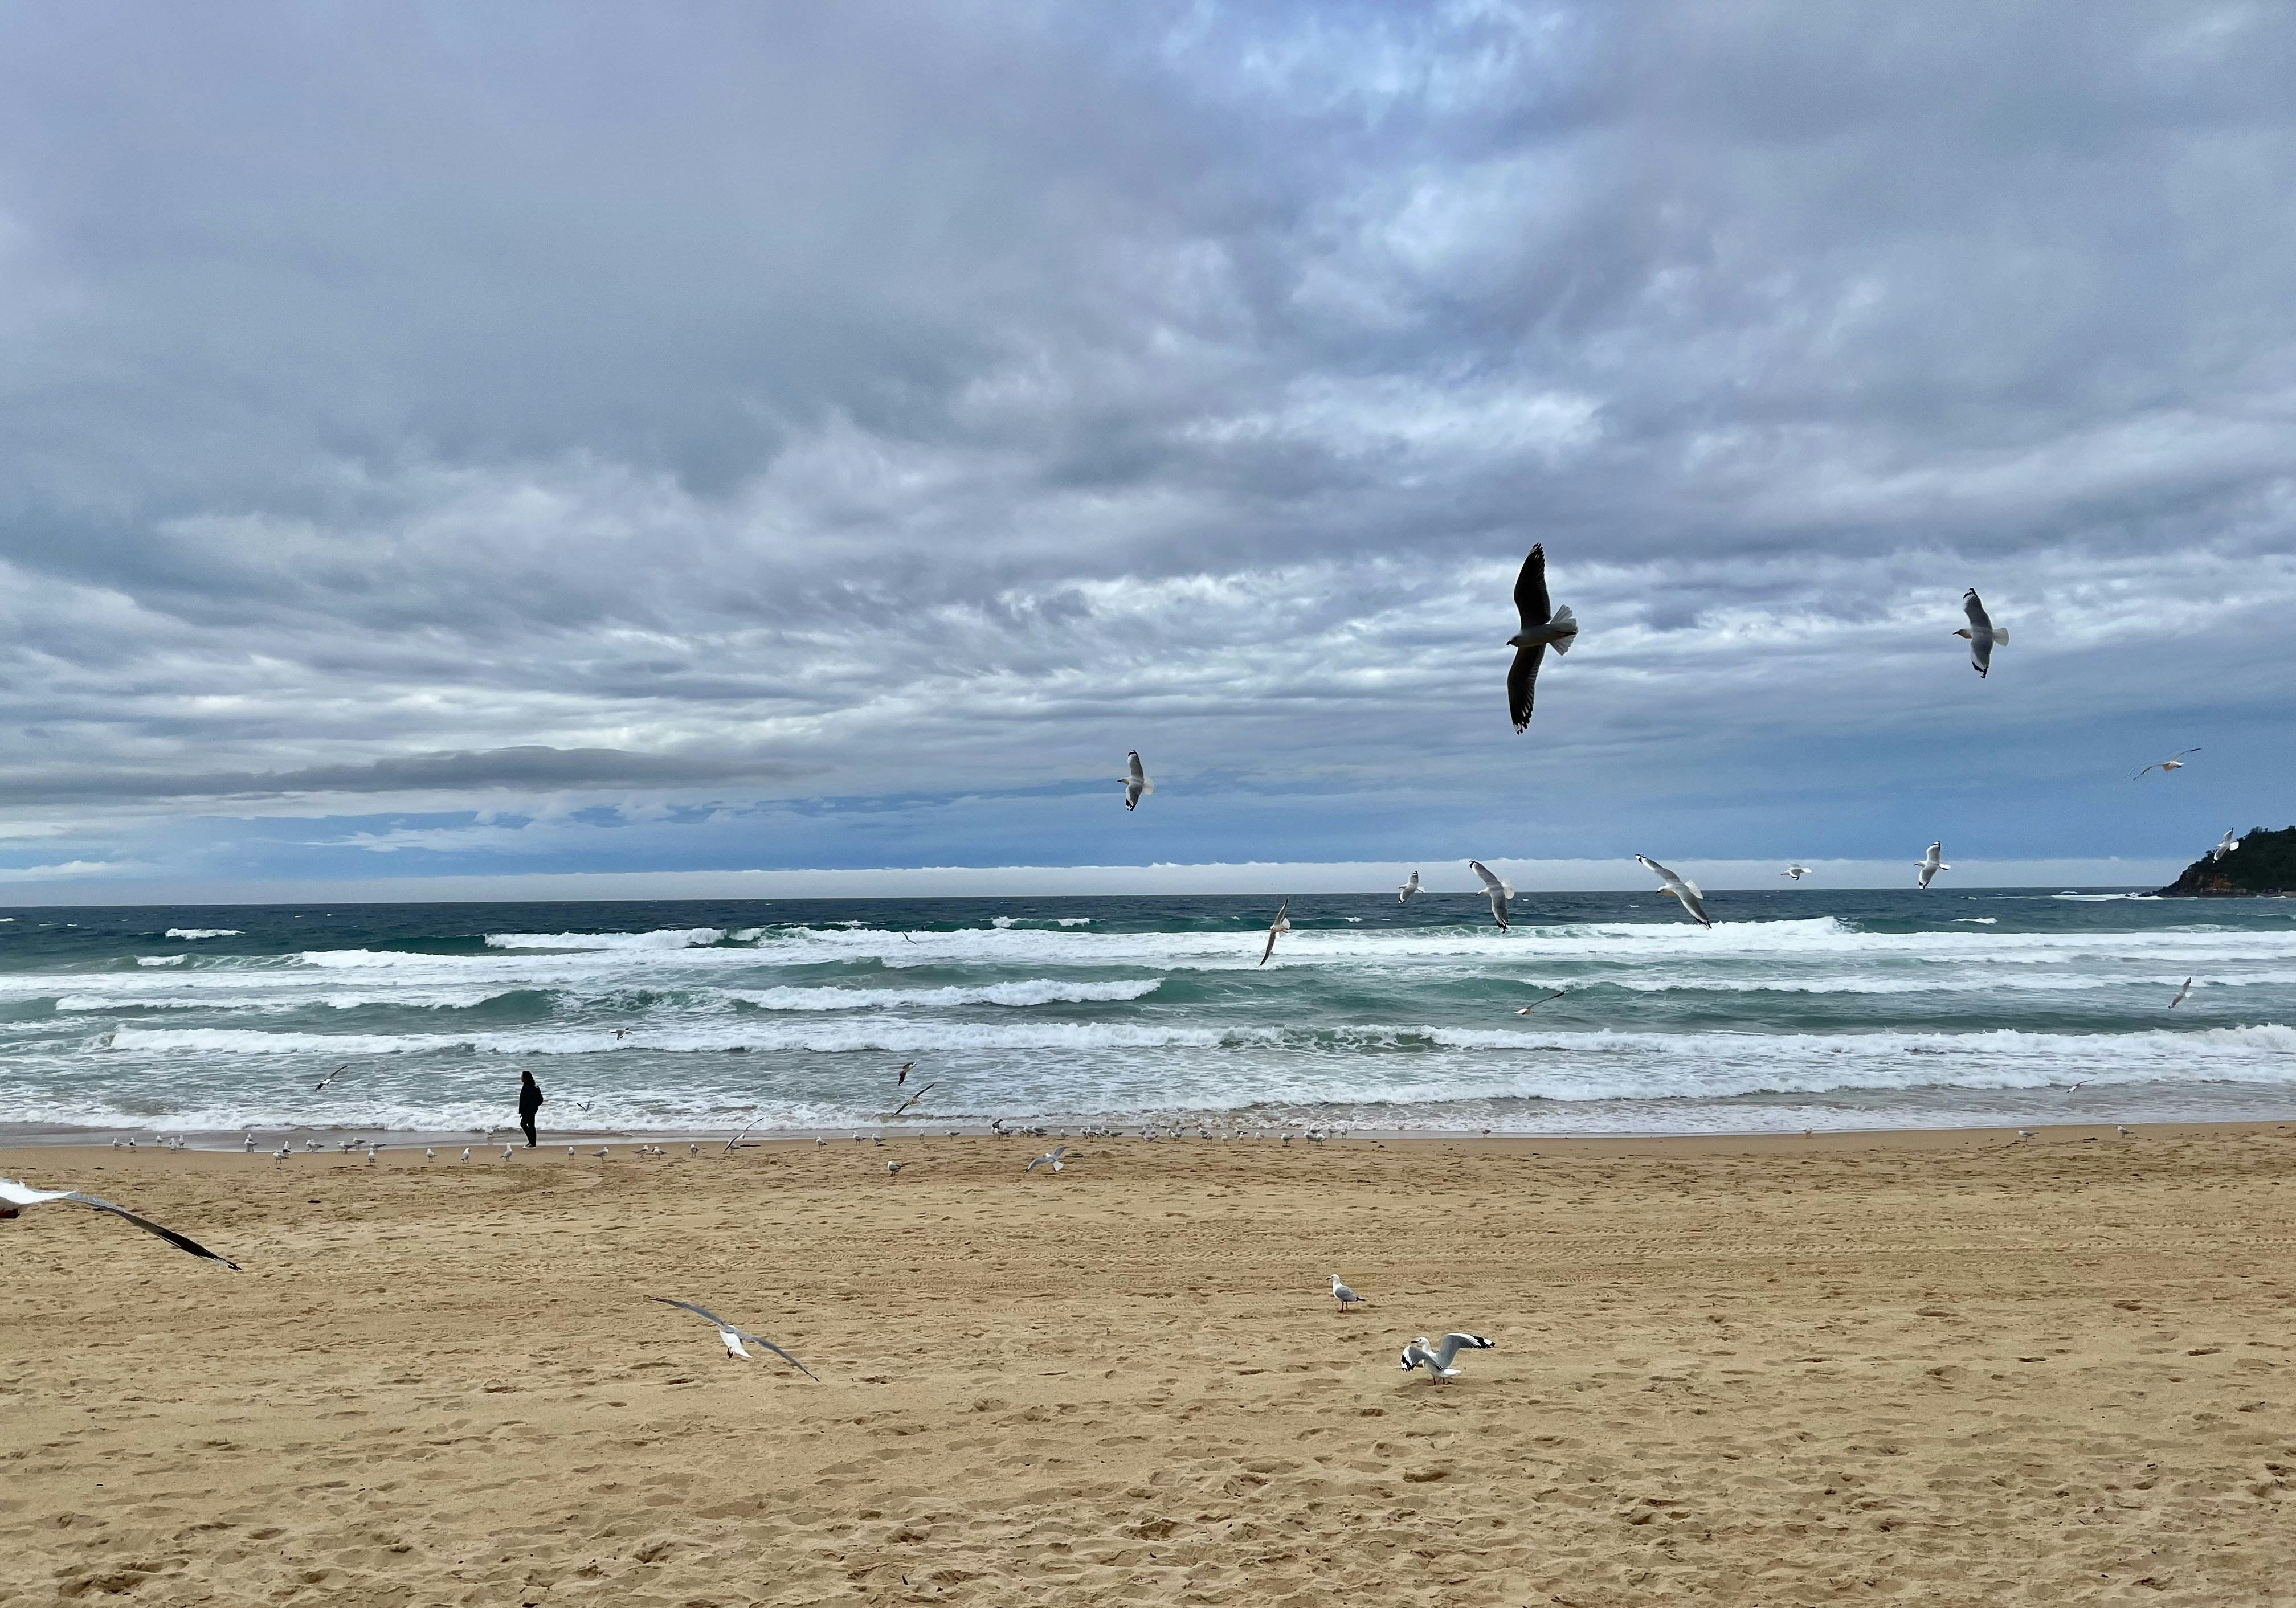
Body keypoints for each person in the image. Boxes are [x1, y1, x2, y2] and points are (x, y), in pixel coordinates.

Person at [518, 1069, 543, 1148]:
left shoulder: (529, 1087)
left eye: (522, 1077)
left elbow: (527, 1101)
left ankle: (532, 1144)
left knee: (531, 1125)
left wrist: (524, 1112)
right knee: (524, 1124)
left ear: (526, 1078)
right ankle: (531, 1141)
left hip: (530, 1110)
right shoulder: (527, 1085)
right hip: (529, 1110)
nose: (521, 1078)